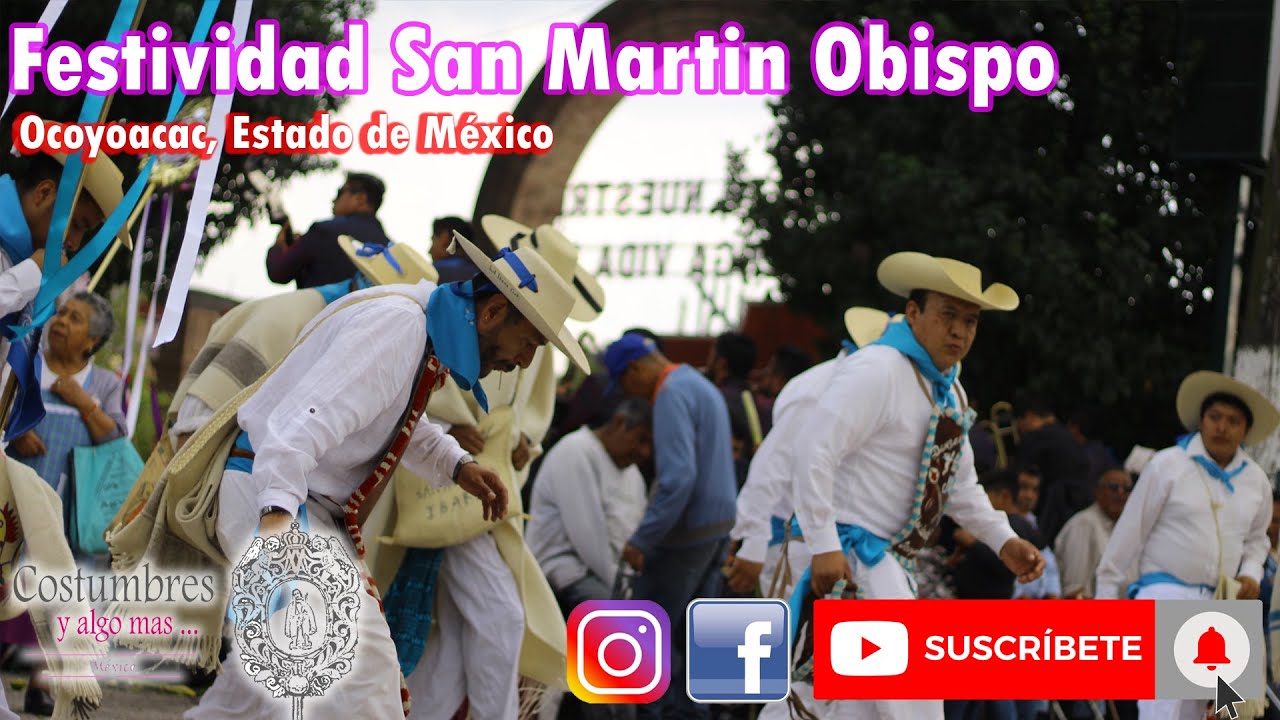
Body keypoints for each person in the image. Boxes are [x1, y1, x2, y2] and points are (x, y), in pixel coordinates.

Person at [173, 234, 589, 720]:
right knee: (359, 681)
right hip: (281, 502)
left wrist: (458, 465)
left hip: (293, 502)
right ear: (494, 312)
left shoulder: (419, 328)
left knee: (263, 696)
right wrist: (278, 530)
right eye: (531, 342)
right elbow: (300, 426)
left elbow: (389, 419)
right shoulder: (400, 326)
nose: (524, 360)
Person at [789, 251, 1044, 720]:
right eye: (948, 315)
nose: (959, 331)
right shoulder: (879, 368)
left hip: (881, 567)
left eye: (970, 321)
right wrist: (825, 543)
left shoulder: (949, 389)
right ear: (912, 313)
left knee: (836, 708)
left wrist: (1003, 540)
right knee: (890, 708)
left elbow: (960, 486)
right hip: (849, 562)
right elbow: (813, 450)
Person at [396, 216, 607, 720]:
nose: (526, 357)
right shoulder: (431, 312)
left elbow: (529, 415)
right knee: (499, 618)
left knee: (454, 632)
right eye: (529, 344)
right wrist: (447, 436)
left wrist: (521, 444)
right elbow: (408, 396)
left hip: (473, 485)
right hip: (440, 485)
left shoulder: (511, 332)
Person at [0, 151, 129, 719]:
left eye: (83, 233)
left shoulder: (101, 381)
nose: (74, 243)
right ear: (45, 194)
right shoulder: (15, 261)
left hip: (65, 501)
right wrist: (31, 271)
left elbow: (115, 436)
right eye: (75, 226)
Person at [1095, 371, 1279, 720]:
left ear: (1246, 431)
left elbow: (1258, 540)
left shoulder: (1256, 480)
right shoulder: (1167, 465)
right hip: (1165, 594)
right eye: (1215, 418)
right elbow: (1128, 534)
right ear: (1201, 421)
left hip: (1227, 603)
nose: (1222, 428)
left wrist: (1252, 572)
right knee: (1163, 707)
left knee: (1225, 711)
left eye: (1233, 421)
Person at [604, 332, 737, 720]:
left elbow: (678, 478)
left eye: (624, 383)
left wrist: (643, 538)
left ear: (634, 370)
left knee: (649, 639)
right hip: (717, 528)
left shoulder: (670, 393)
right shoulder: (698, 383)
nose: (631, 394)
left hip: (686, 534)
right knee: (696, 644)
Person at [727, 308, 896, 601]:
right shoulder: (821, 388)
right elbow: (773, 464)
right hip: (796, 547)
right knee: (791, 643)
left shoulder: (851, 385)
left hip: (824, 545)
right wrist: (753, 541)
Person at [528, 396, 651, 612]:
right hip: (564, 567)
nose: (645, 452)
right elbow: (588, 537)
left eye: (650, 445)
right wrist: (625, 593)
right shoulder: (576, 450)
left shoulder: (633, 474)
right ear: (619, 423)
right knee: (621, 621)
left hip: (612, 574)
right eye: (641, 439)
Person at [8, 292, 126, 511]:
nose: (61, 321)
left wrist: (83, 402)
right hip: (8, 496)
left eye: (75, 319)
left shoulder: (105, 384)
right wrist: (15, 426)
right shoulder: (25, 361)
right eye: (61, 313)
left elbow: (114, 442)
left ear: (93, 341)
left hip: (64, 508)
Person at [265, 172, 391, 288]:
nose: (334, 200)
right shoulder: (391, 250)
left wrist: (279, 245)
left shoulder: (323, 231)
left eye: (340, 193)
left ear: (360, 199)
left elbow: (279, 272)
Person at [1053, 466, 1135, 599]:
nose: (1121, 493)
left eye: (1127, 489)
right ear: (1098, 492)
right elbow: (1075, 592)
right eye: (1114, 487)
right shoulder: (1083, 525)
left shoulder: (1128, 526)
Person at [429, 216, 479, 283]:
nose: (429, 251)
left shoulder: (434, 271)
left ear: (445, 240)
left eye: (433, 241)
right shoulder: (480, 276)